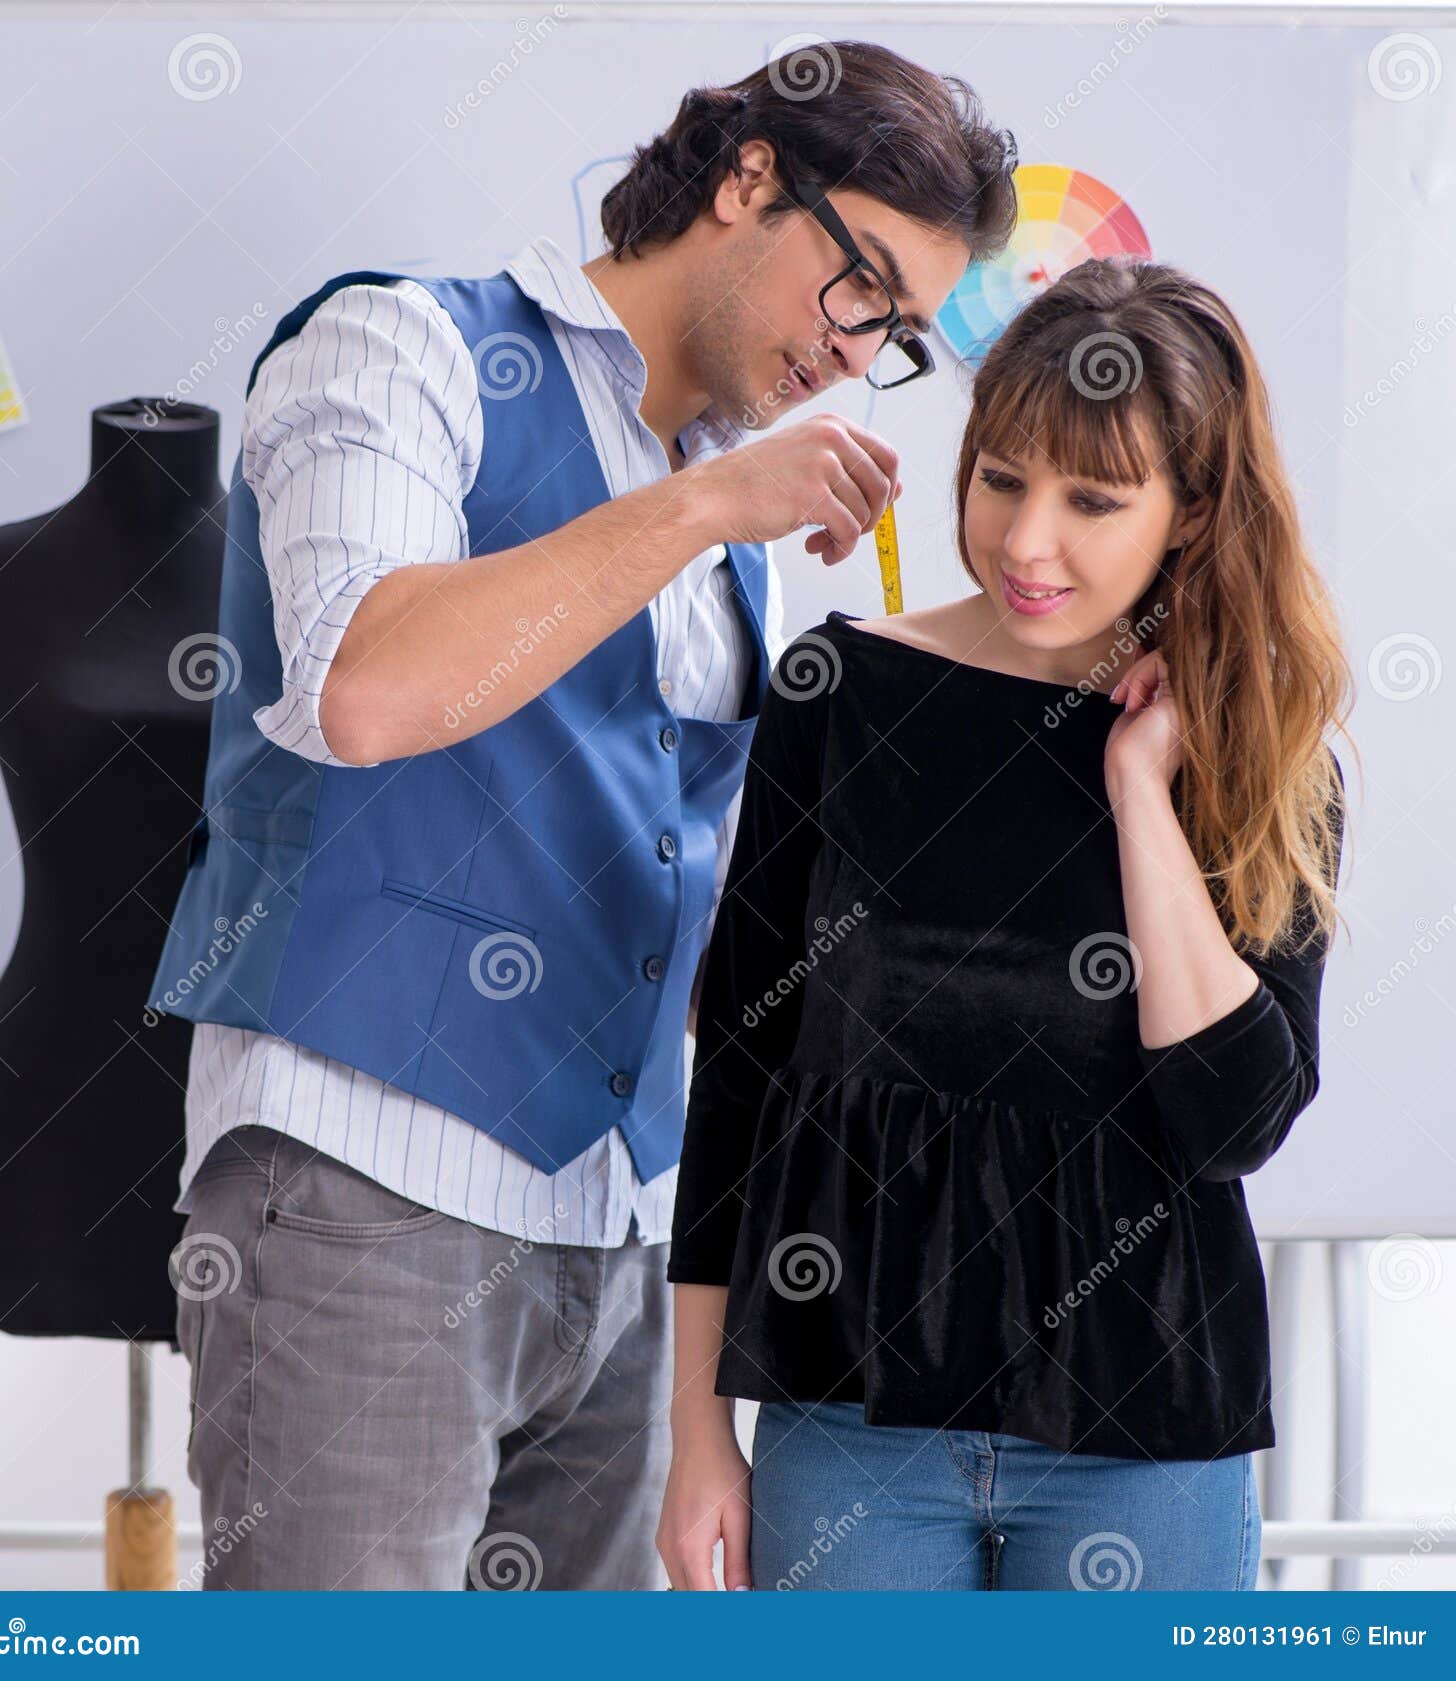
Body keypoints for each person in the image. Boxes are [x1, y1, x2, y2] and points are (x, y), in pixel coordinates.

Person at [154, 41, 1018, 1588]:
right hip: (364, 1187)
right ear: (754, 179)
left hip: (618, 1240)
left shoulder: (732, 536)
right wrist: (699, 507)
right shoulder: (399, 345)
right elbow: (367, 685)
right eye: (860, 284)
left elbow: (683, 915)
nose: (859, 345)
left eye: (894, 331)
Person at [659, 256, 1354, 1592]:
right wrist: (697, 1430)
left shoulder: (1263, 752)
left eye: (1095, 500)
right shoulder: (839, 692)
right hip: (853, 1425)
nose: (1031, 540)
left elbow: (1234, 1120)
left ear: (1191, 513)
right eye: (1003, 479)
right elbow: (737, 1085)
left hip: (1148, 1442)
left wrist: (1143, 793)